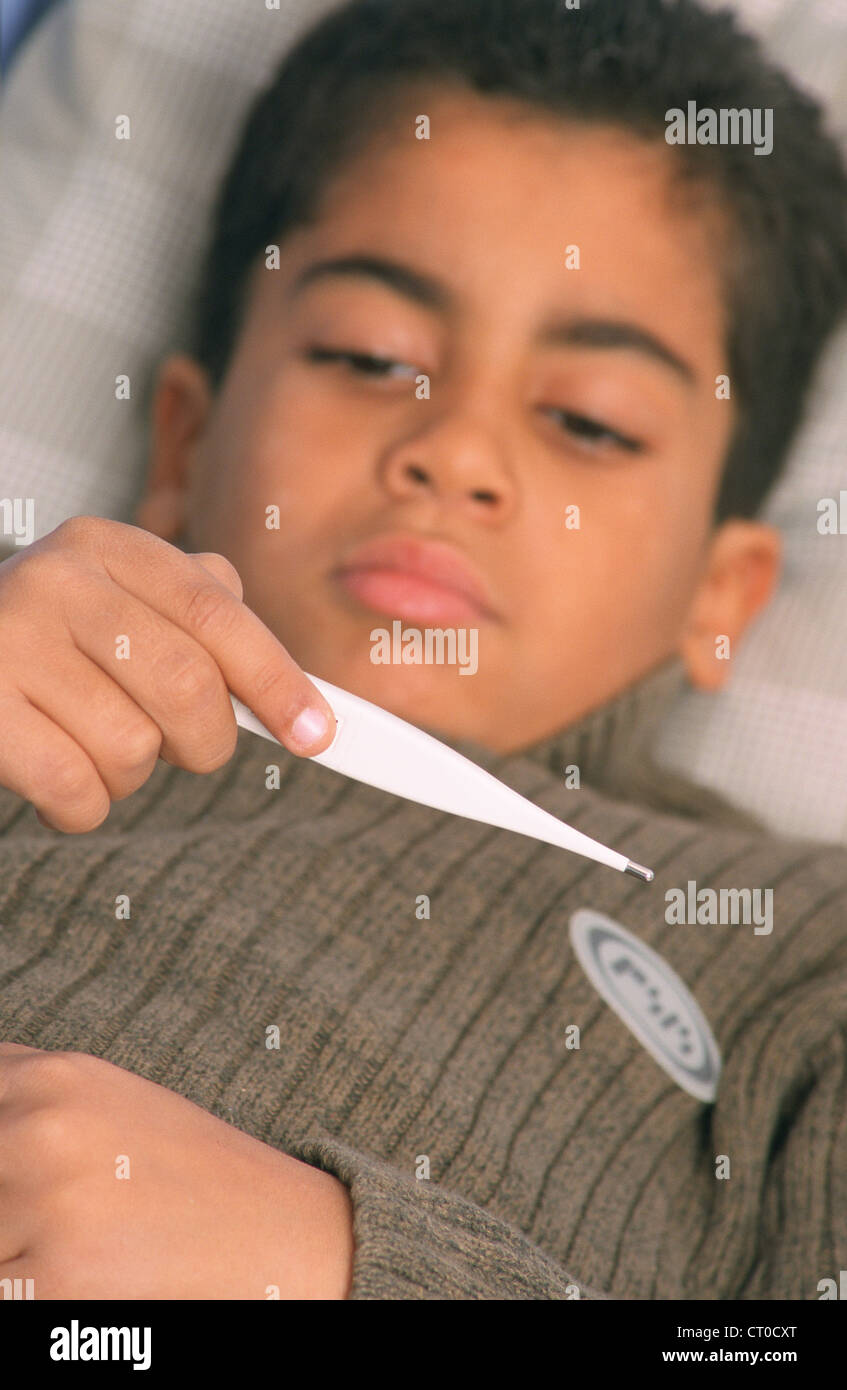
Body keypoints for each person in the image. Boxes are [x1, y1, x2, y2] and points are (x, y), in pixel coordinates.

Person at [1, 0, 846, 1300]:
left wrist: (342, 1268)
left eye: (589, 420)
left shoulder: (803, 956)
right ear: (182, 445)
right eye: (368, 355)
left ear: (721, 595)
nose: (454, 449)